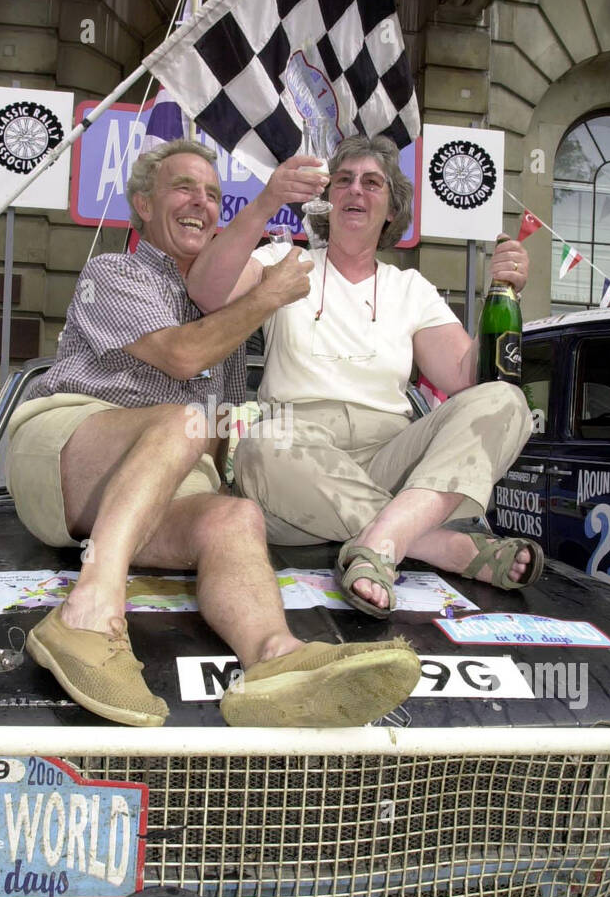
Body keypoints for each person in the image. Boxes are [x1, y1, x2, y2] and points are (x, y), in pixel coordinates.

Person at [6, 138, 420, 728]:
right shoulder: (114, 272)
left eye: (212, 195)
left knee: (236, 517)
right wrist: (269, 295)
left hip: (156, 481)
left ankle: (277, 660)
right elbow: (181, 357)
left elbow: (219, 426)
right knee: (185, 419)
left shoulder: (221, 297)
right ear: (143, 204)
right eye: (183, 187)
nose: (201, 202)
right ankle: (89, 611)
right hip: (68, 448)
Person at [185, 134, 540, 618]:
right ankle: (436, 546)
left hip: (392, 459)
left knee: (505, 399)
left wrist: (503, 291)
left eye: (372, 184)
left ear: (391, 209)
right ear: (327, 199)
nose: (356, 191)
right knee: (263, 442)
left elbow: (464, 378)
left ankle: (385, 538)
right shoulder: (282, 261)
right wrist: (267, 199)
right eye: (344, 181)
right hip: (297, 462)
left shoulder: (410, 287)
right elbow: (206, 291)